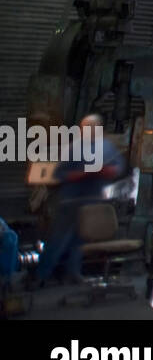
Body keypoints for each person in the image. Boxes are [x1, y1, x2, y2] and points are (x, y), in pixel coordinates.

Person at [36, 115, 126, 284]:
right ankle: (41, 275)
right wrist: (82, 174)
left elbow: (119, 167)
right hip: (71, 201)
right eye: (87, 128)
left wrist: (109, 171)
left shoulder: (107, 147)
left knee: (79, 240)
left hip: (92, 201)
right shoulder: (74, 148)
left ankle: (72, 273)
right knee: (59, 240)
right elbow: (59, 175)